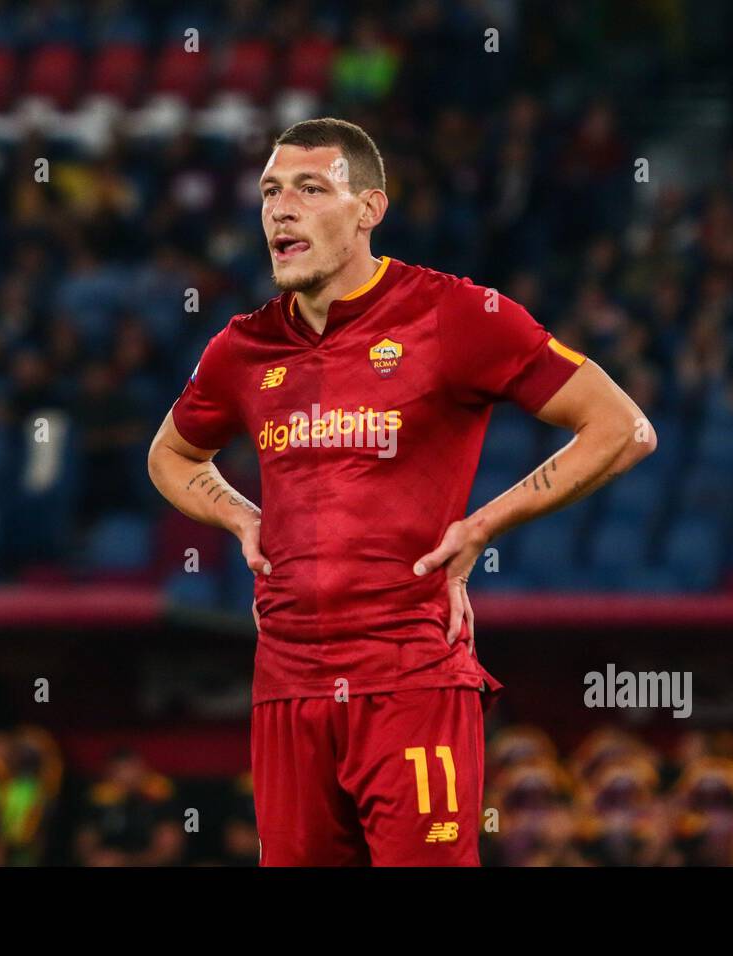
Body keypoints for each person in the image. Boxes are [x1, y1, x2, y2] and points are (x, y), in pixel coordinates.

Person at [148, 118, 654, 866]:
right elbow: (170, 455)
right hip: (286, 685)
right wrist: (238, 515)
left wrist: (483, 525)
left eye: (310, 189)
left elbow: (621, 428)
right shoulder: (242, 348)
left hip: (409, 679)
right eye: (270, 192)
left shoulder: (454, 314)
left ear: (369, 209)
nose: (280, 210)